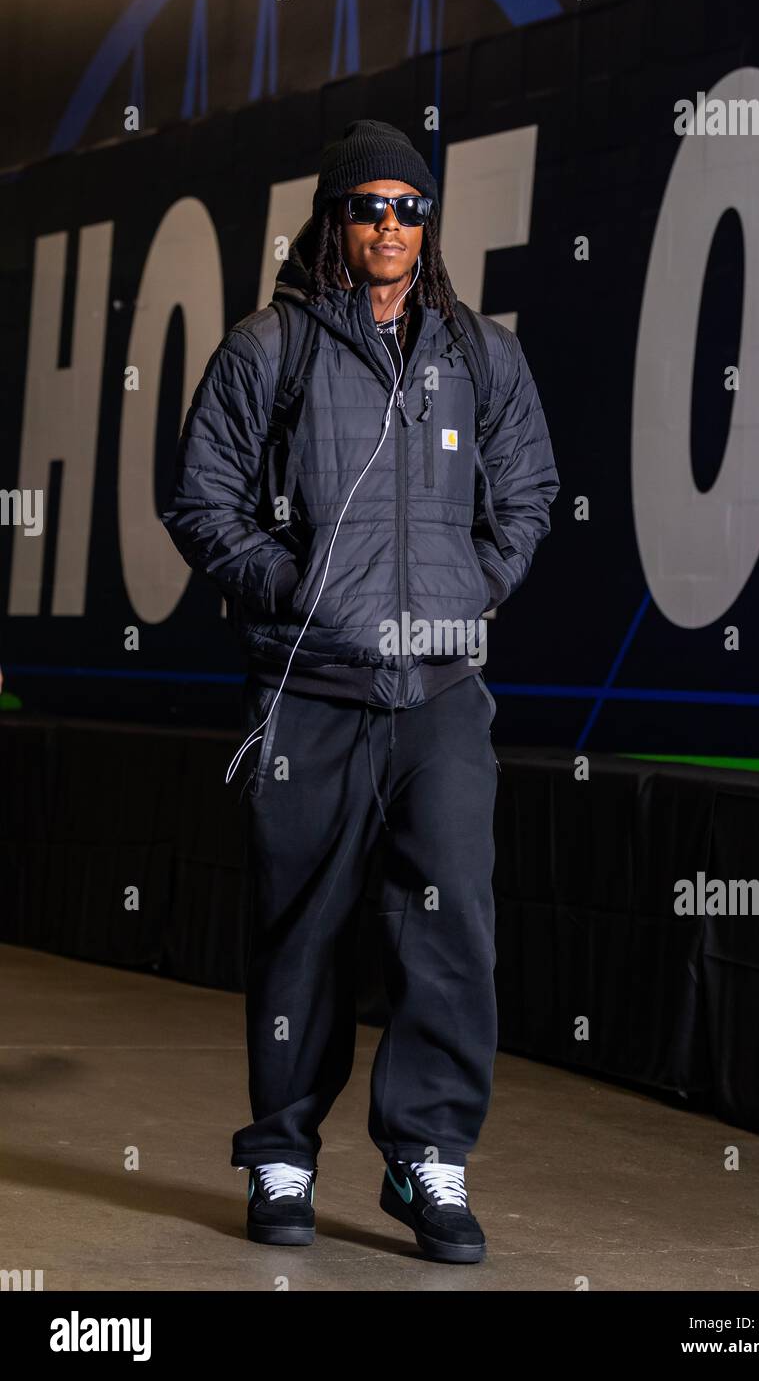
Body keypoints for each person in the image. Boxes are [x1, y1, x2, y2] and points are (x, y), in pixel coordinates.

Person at [161, 119, 559, 1264]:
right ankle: (281, 1152)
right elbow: (202, 502)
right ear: (333, 218)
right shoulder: (267, 349)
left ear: (429, 227)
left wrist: (465, 585)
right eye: (368, 204)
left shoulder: (480, 354)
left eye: (410, 207)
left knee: (452, 925)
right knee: (303, 930)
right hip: (311, 688)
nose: (390, 224)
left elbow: (528, 493)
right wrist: (292, 589)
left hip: (438, 690)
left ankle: (427, 1158)